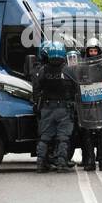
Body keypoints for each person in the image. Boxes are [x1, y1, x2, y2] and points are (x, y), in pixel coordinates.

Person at [32, 42, 77, 173]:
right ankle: (61, 163)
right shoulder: (68, 70)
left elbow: (36, 88)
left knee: (45, 136)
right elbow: (77, 87)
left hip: (46, 108)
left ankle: (40, 163)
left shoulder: (42, 70)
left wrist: (37, 104)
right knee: (63, 137)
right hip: (64, 108)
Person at [74, 36, 102, 171]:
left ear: (99, 51)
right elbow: (77, 83)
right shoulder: (81, 66)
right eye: (90, 51)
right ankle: (89, 160)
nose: (92, 53)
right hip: (87, 104)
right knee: (87, 131)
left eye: (94, 51)